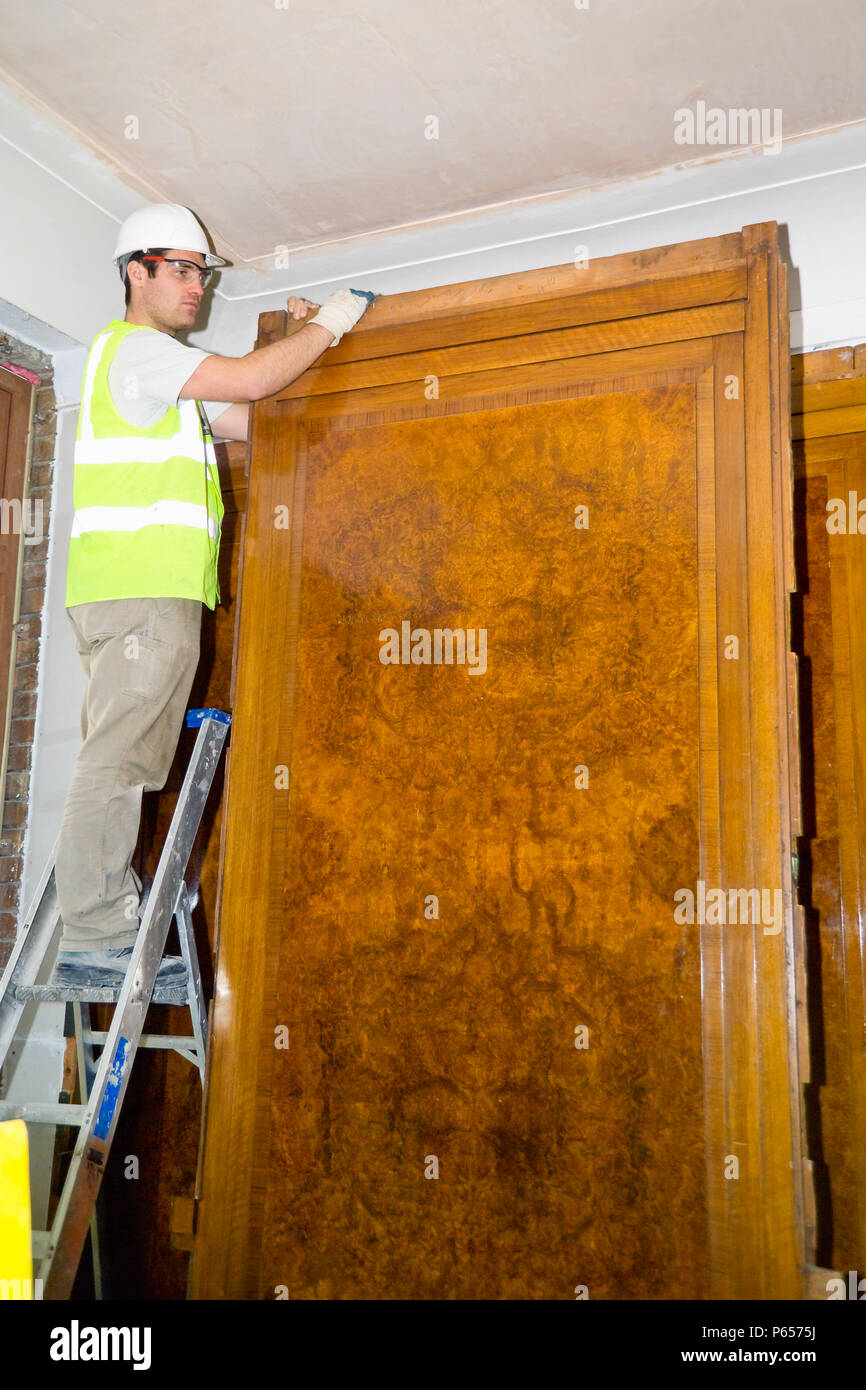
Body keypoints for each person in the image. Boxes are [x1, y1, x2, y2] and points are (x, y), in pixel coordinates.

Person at [54, 202, 372, 985]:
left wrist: (298, 345)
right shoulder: (137, 352)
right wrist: (329, 323)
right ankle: (97, 932)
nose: (198, 287)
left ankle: (102, 922)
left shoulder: (162, 381)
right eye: (186, 270)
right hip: (139, 591)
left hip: (141, 593)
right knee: (119, 762)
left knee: (126, 756)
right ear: (140, 270)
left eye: (204, 273)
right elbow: (252, 379)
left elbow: (259, 419)